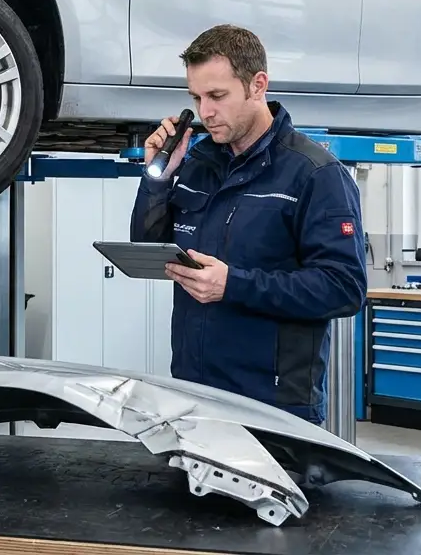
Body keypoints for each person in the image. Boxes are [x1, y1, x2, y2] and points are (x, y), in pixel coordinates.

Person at [129, 24, 367, 426]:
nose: (205, 112)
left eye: (217, 96)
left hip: (274, 407)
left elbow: (344, 289)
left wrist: (233, 285)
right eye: (196, 98)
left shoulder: (315, 175)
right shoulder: (198, 165)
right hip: (194, 396)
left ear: (258, 86)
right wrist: (159, 179)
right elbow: (148, 247)